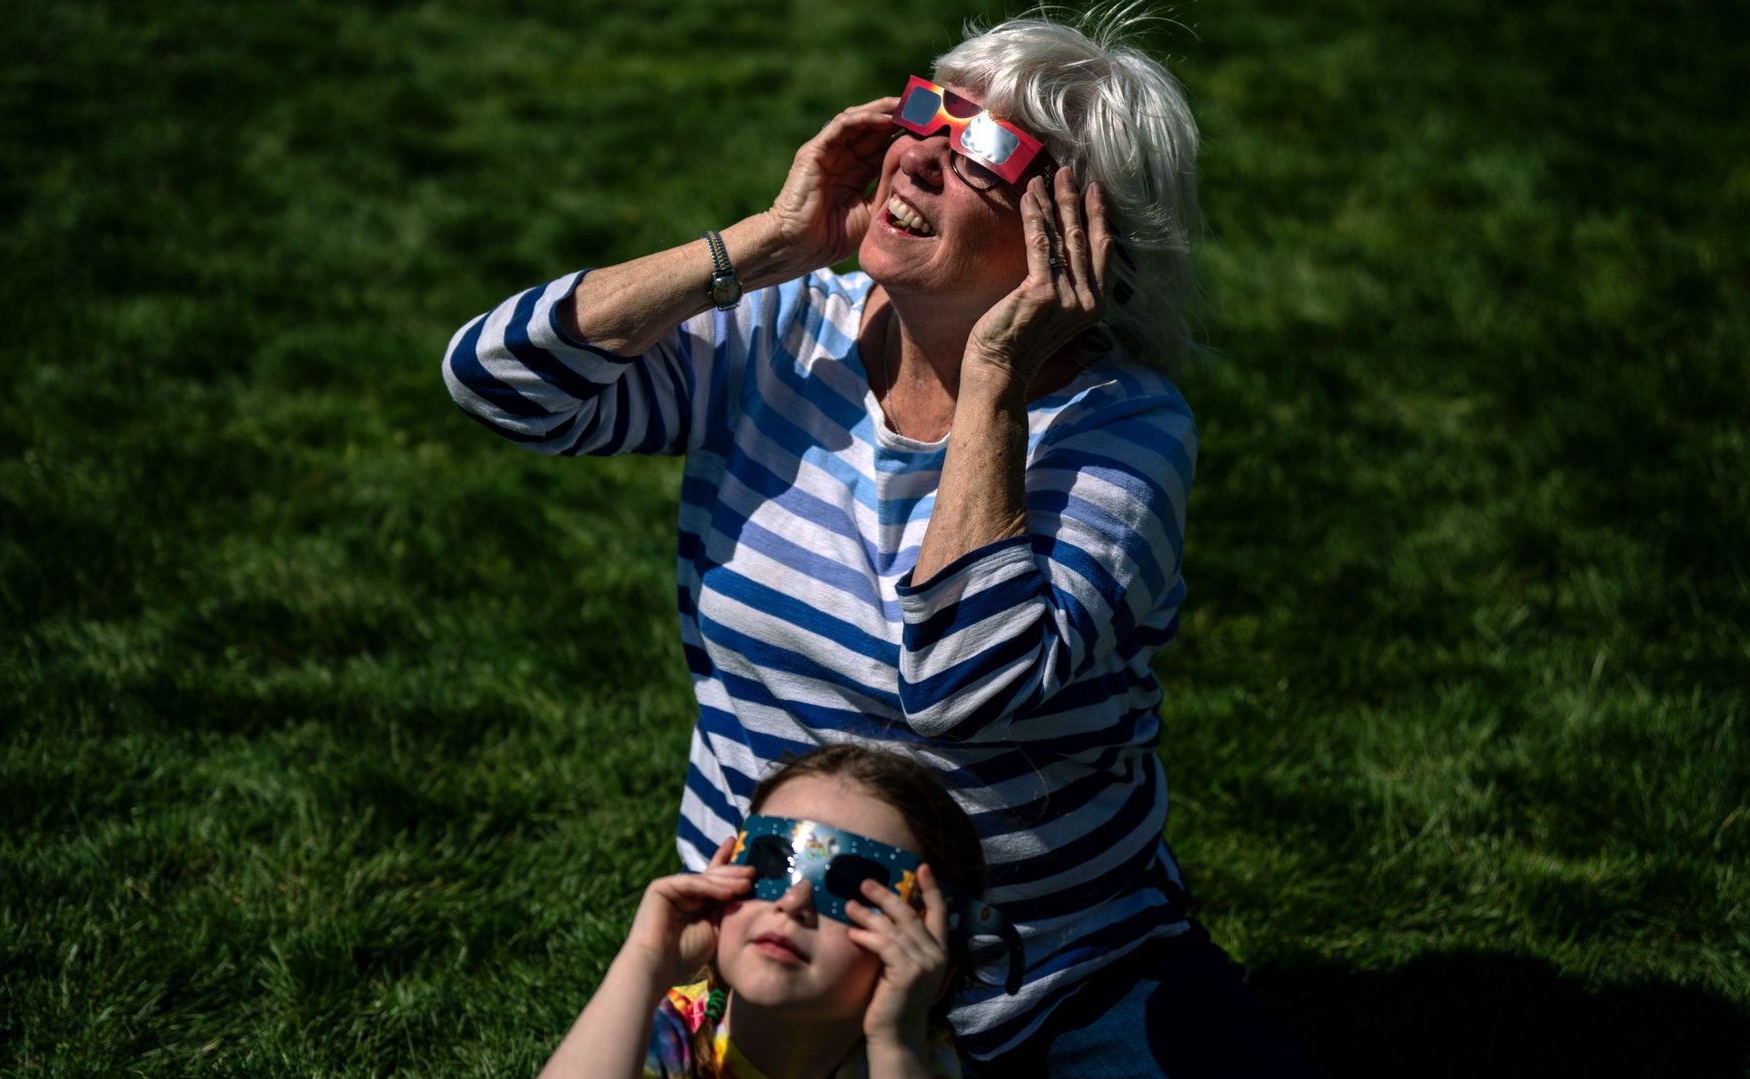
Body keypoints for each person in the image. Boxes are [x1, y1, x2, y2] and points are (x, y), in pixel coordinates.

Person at [446, 8, 1314, 1073]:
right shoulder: (787, 330)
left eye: (985, 150)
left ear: (1080, 239)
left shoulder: (1121, 434)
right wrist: (761, 246)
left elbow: (962, 685)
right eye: (927, 110)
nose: (919, 157)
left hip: (1046, 971)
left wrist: (993, 378)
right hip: (786, 948)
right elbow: (500, 384)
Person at [537, 745, 988, 1078]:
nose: (793, 904)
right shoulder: (660, 1036)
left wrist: (896, 1043)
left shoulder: (910, 1058)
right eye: (771, 862)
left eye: (853, 888)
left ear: (927, 962)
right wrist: (645, 962)